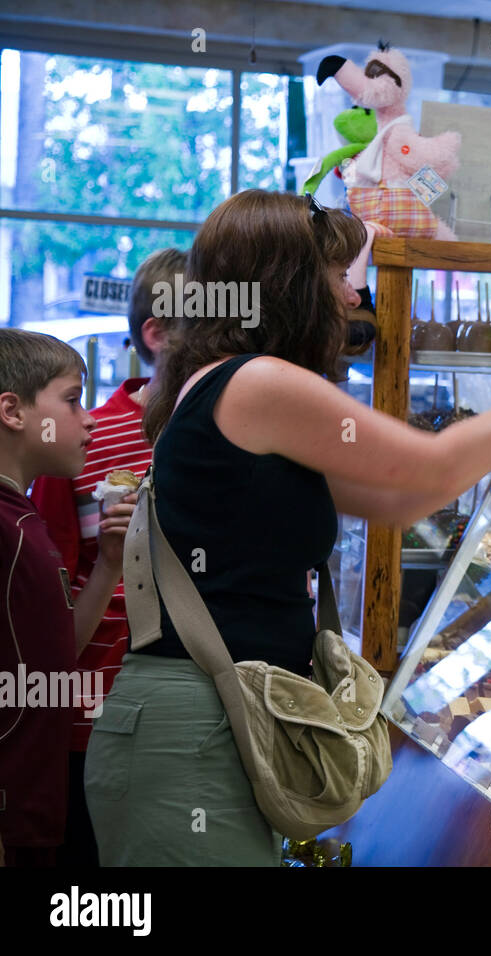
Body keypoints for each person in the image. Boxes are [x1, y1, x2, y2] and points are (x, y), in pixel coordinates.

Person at [84, 190, 491, 866]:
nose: (350, 298)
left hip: (214, 722)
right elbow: (431, 465)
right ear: (290, 286)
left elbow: (402, 503)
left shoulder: (232, 384)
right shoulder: (256, 382)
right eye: (336, 278)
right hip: (192, 731)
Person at [30, 248, 184, 867]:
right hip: (94, 716)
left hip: (194, 715)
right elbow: (50, 594)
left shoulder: (237, 434)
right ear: (158, 333)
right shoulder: (83, 441)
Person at [0, 330, 136, 866]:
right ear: (12, 410)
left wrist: (107, 565)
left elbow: (58, 657)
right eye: (73, 399)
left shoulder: (24, 518)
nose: (90, 419)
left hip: (33, 805)